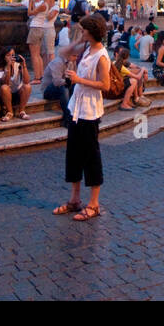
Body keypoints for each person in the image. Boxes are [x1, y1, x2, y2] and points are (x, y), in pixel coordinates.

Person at [53, 14, 111, 221]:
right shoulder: (87, 49)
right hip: (75, 108)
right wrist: (79, 40)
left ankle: (93, 204)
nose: (82, 32)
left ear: (92, 31)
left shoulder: (102, 56)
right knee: (74, 154)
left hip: (90, 111)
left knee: (91, 156)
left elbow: (106, 85)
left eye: (84, 30)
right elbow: (63, 52)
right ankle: (74, 200)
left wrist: (80, 80)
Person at [0, 46, 31, 120]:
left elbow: (27, 81)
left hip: (17, 94)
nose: (11, 57)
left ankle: (22, 111)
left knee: (27, 86)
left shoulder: (18, 65)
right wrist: (8, 67)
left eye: (13, 55)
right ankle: (10, 112)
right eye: (8, 55)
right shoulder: (0, 68)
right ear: (4, 57)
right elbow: (6, 83)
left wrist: (24, 65)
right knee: (4, 87)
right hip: (4, 97)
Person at [26, 0, 51, 87]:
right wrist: (31, 0)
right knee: (38, 55)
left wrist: (29, 2)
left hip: (35, 28)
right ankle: (40, 76)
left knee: (34, 55)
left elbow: (30, 13)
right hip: (40, 28)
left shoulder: (42, 5)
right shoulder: (45, 4)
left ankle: (37, 78)